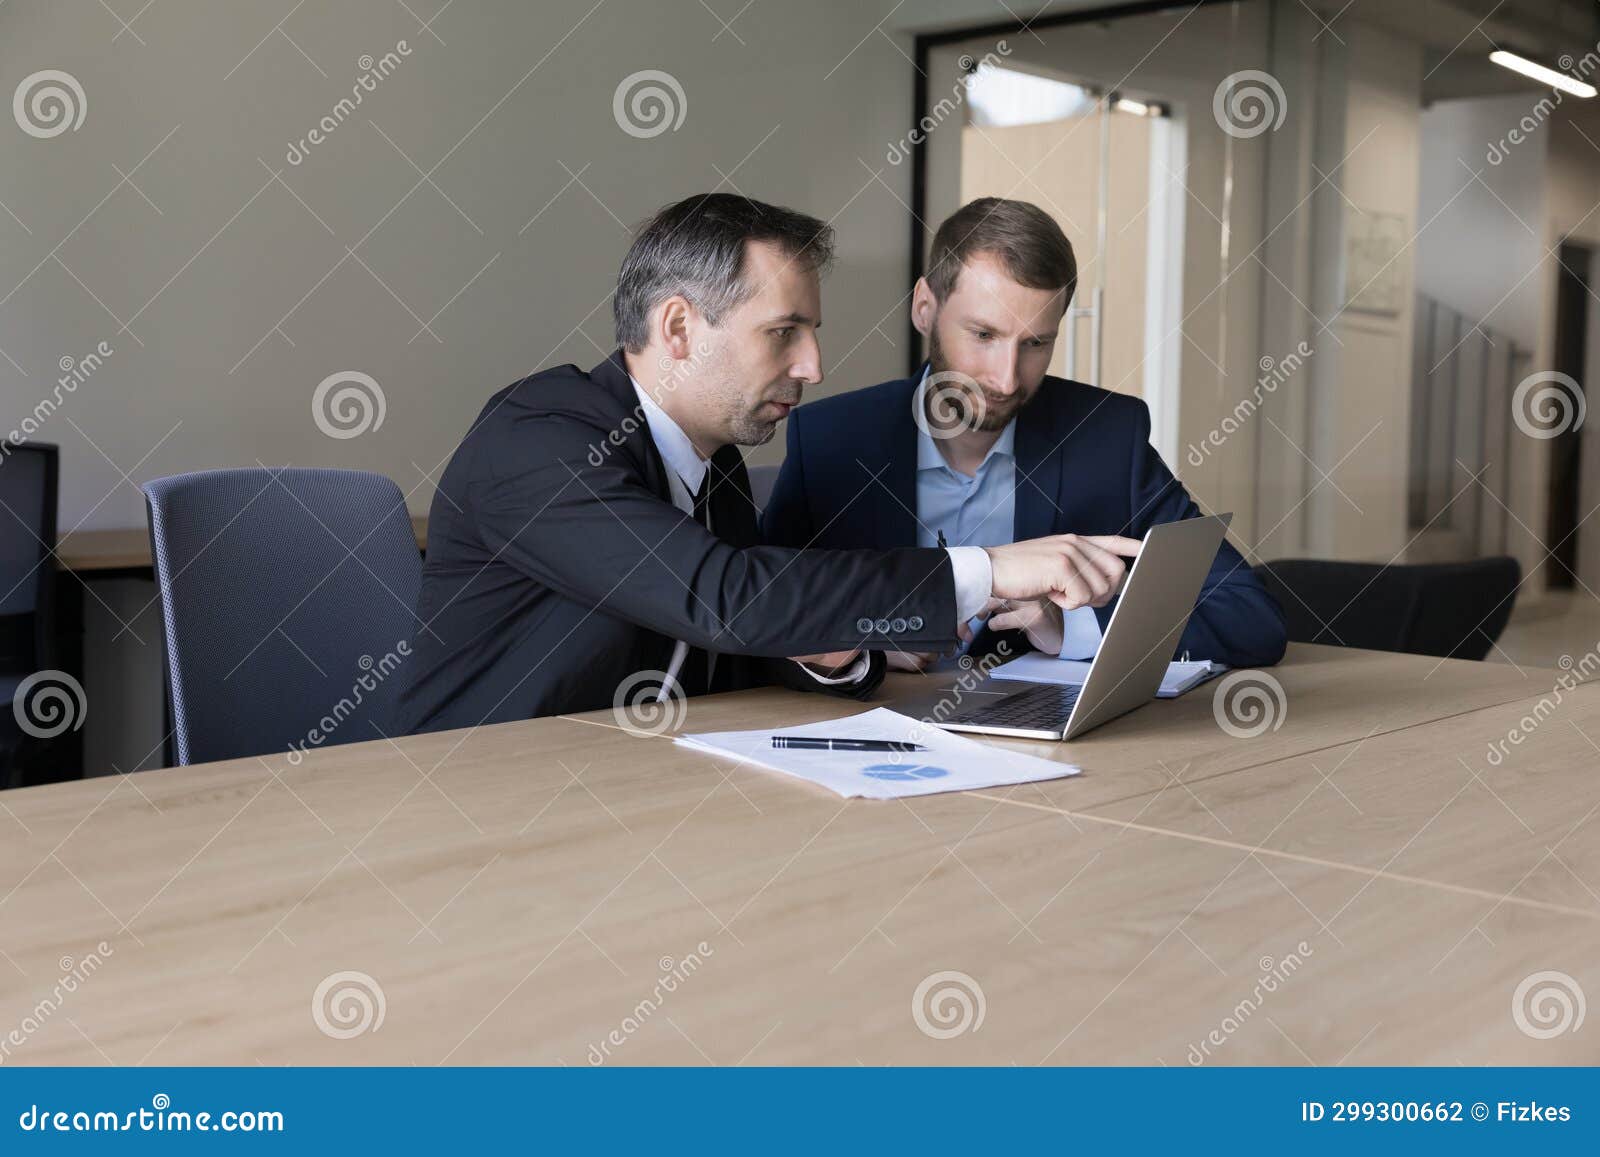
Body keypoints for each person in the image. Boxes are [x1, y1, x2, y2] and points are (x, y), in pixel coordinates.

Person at [399, 194, 1141, 734]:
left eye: (811, 333)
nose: (814, 365)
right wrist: (992, 570)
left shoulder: (713, 465)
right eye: (784, 332)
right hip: (473, 800)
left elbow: (747, 640)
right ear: (680, 328)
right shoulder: (537, 440)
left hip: (636, 790)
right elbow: (725, 597)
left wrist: (835, 649)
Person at [762, 196, 1285, 673]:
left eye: (1036, 343)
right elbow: (754, 615)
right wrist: (867, 635)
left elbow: (1248, 619)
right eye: (984, 335)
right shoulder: (831, 439)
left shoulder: (1106, 437)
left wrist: (1071, 630)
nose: (1007, 379)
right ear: (925, 308)